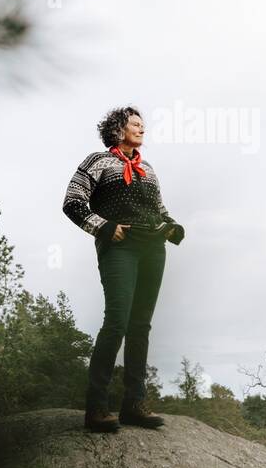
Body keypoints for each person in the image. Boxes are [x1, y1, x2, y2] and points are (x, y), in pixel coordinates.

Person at [62, 105, 185, 432]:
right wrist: (103, 227)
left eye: (143, 124)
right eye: (135, 124)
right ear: (118, 129)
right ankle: (96, 407)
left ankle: (134, 404)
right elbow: (73, 202)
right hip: (120, 247)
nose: (142, 129)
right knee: (117, 321)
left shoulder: (147, 168)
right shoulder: (97, 161)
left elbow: (159, 208)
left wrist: (171, 226)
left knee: (141, 325)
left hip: (153, 248)